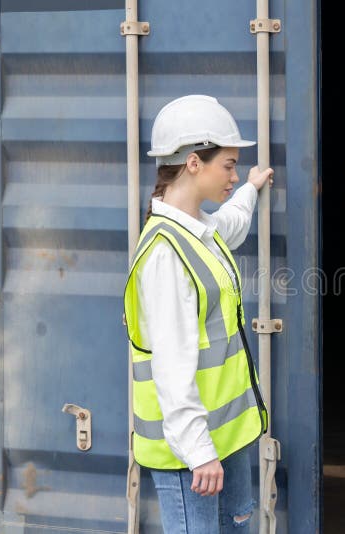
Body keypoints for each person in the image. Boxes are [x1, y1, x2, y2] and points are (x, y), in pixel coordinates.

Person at [123, 95, 273, 533]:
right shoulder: (165, 254)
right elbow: (171, 366)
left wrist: (250, 188)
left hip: (225, 439)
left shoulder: (200, 231)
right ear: (193, 163)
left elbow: (232, 223)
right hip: (191, 455)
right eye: (228, 166)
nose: (233, 174)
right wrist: (199, 451)